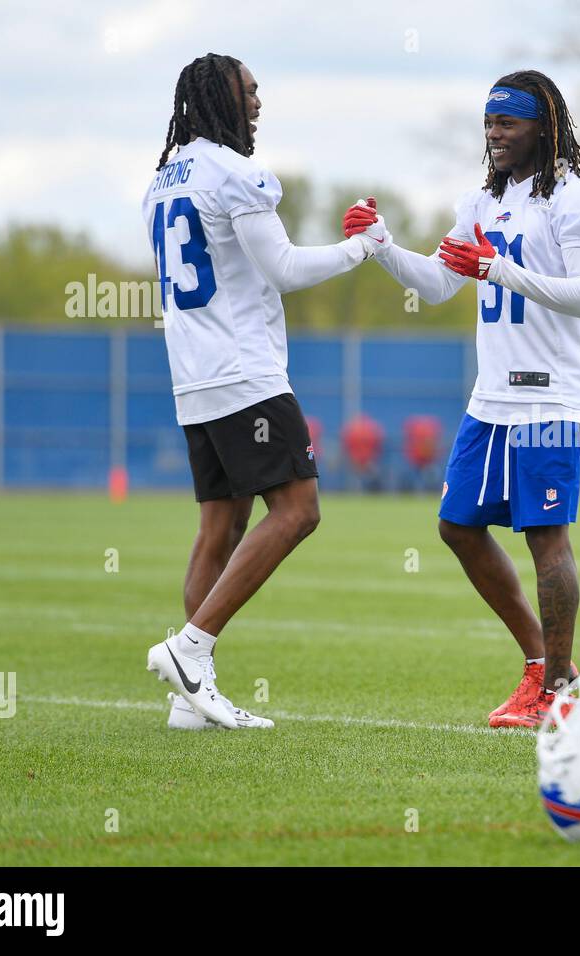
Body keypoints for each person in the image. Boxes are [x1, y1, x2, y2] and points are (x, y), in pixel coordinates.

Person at [347, 70, 580, 727]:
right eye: (489, 124)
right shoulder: (479, 202)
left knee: (544, 535)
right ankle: (541, 666)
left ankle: (557, 689)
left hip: (552, 395)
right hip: (492, 396)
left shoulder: (579, 198)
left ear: (543, 127)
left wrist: (499, 269)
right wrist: (380, 246)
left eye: (509, 123)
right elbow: (441, 285)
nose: (495, 135)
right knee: (456, 525)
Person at [142, 53, 379, 729]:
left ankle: (188, 699)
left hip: (193, 374)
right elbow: (283, 268)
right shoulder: (237, 173)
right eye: (247, 92)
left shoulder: (161, 179)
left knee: (219, 527)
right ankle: (191, 650)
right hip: (246, 372)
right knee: (299, 509)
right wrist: (360, 249)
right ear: (219, 97)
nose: (258, 103)